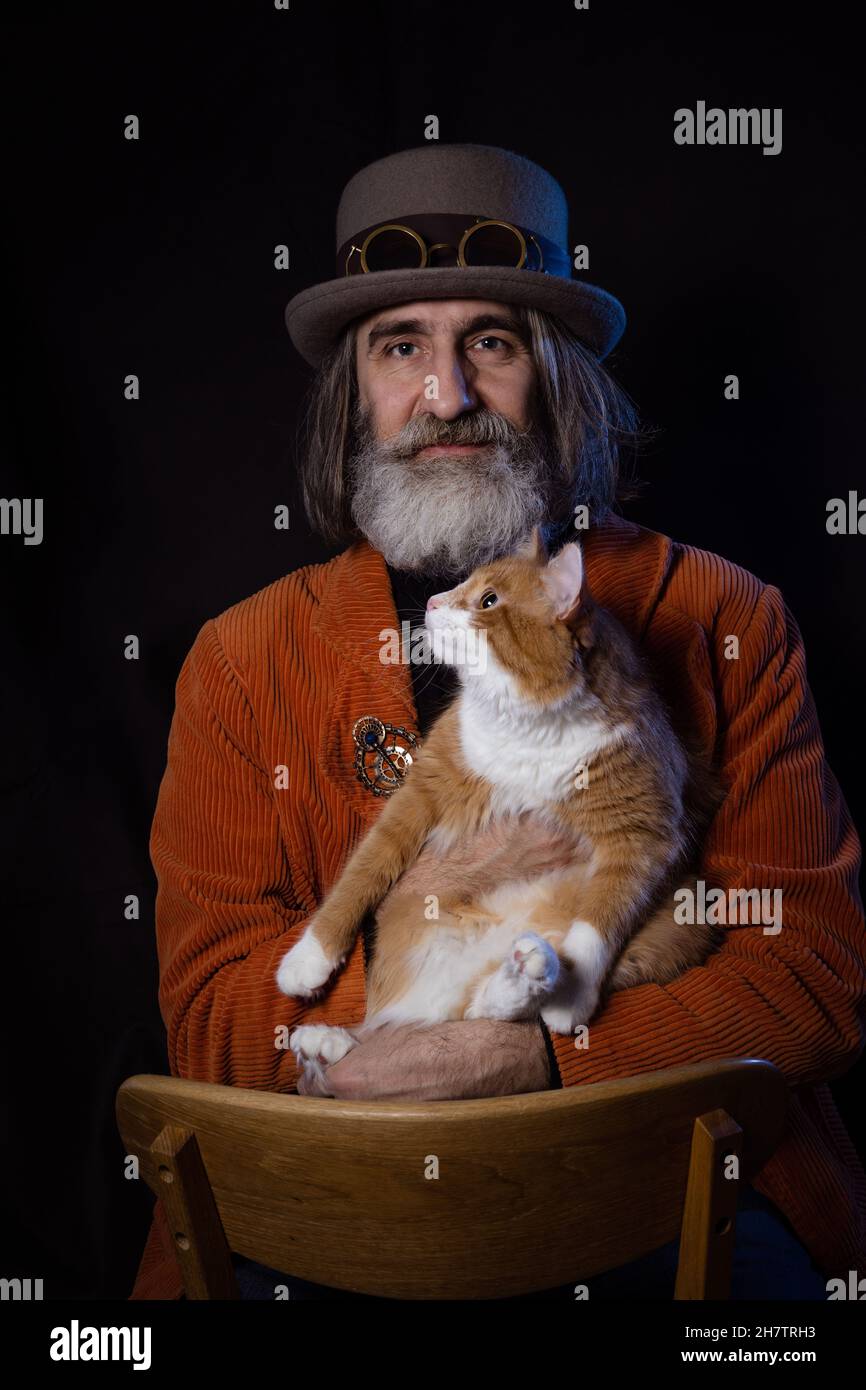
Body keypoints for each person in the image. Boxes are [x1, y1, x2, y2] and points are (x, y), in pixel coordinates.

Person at [129, 143, 865, 1302]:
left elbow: (810, 977)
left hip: (653, 1179)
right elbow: (212, 1022)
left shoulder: (723, 615)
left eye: (490, 340)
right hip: (331, 1198)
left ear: (553, 372)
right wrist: (426, 923)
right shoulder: (240, 659)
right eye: (400, 346)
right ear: (353, 392)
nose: (447, 394)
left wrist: (535, 1050)